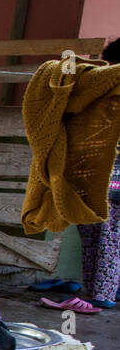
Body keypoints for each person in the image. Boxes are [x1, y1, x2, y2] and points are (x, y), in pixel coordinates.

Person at [77, 36, 120, 308]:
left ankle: (101, 294)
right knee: (108, 239)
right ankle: (109, 291)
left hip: (106, 183)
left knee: (102, 240)